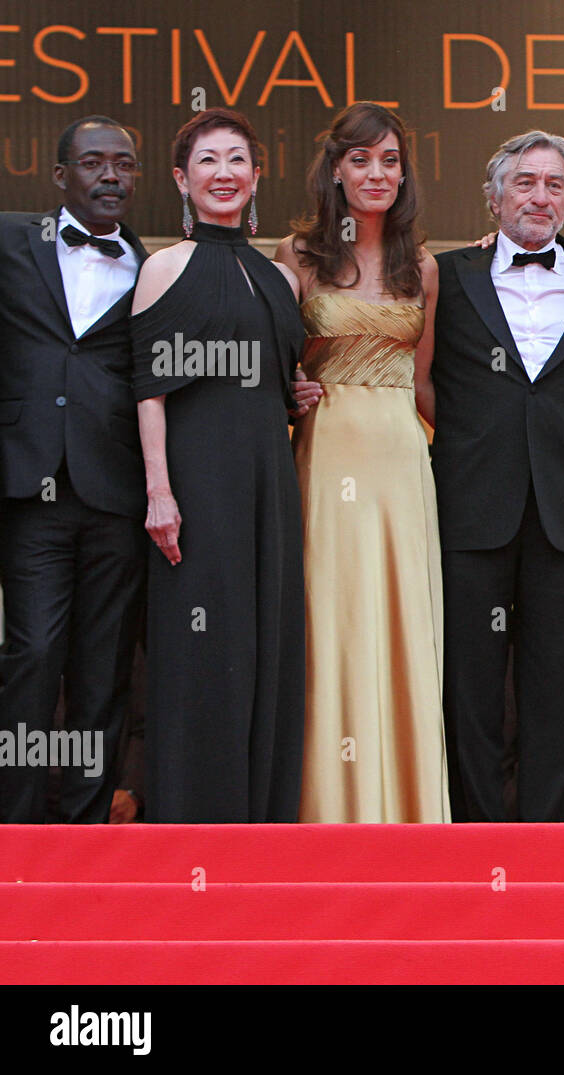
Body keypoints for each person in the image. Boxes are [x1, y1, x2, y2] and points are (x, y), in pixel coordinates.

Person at [431, 130, 564, 821]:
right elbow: (421, 383)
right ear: (493, 197)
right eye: (524, 182)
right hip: (469, 508)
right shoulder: (447, 276)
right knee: (470, 688)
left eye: (553, 184)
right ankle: (476, 836)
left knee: (554, 687)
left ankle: (547, 841)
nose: (539, 196)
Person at [130, 108, 307, 823]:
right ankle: (194, 822)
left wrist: (297, 392)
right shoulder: (163, 268)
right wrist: (159, 491)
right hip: (197, 482)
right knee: (203, 645)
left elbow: (276, 383)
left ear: (256, 176)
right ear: (182, 178)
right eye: (208, 161)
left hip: (270, 481)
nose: (224, 173)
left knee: (265, 639)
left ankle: (259, 822)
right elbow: (148, 389)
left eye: (238, 160)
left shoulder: (281, 278)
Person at [276, 102, 449, 823]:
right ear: (335, 170)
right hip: (326, 451)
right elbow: (272, 368)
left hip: (402, 460)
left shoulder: (425, 268)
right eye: (360, 159)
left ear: (404, 172)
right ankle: (330, 807)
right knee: (334, 620)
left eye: (389, 160)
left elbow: (423, 384)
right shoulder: (298, 256)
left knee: (404, 621)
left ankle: (405, 811)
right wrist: (287, 393)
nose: (376, 173)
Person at [0, 116, 148, 823]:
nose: (110, 175)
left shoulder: (157, 270)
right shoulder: (9, 242)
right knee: (32, 653)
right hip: (31, 485)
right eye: (93, 163)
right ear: (61, 177)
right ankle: (17, 824)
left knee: (104, 665)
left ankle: (86, 827)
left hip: (117, 494)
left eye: (122, 163)